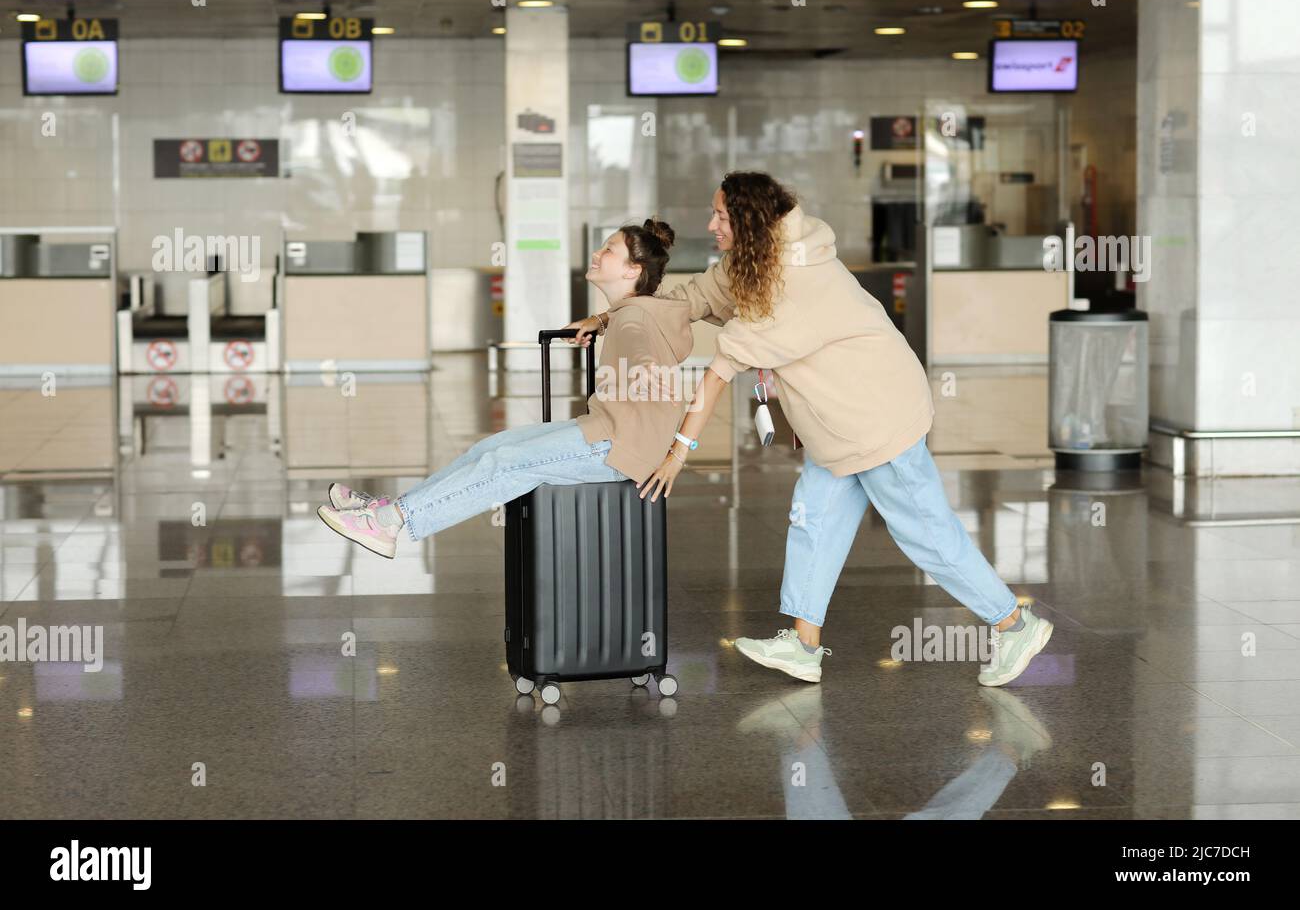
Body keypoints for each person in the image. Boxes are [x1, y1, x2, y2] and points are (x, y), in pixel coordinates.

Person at [570, 173, 1052, 687]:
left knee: (926, 533)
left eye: (722, 217)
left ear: (750, 223)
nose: (711, 224)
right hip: (834, 427)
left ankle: (1013, 623)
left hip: (876, 417)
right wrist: (609, 317)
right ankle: (803, 645)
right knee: (814, 523)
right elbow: (692, 299)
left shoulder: (793, 285)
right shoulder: (751, 262)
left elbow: (716, 375)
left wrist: (677, 454)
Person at [319, 219, 693, 558]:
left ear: (633, 269)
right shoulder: (637, 311)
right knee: (490, 448)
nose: (597, 254)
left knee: (506, 464)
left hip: (619, 449)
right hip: (610, 428)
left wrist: (666, 423)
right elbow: (633, 323)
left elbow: (647, 357)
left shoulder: (634, 322)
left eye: (608, 250)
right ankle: (390, 509)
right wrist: (602, 321)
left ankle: (387, 523)